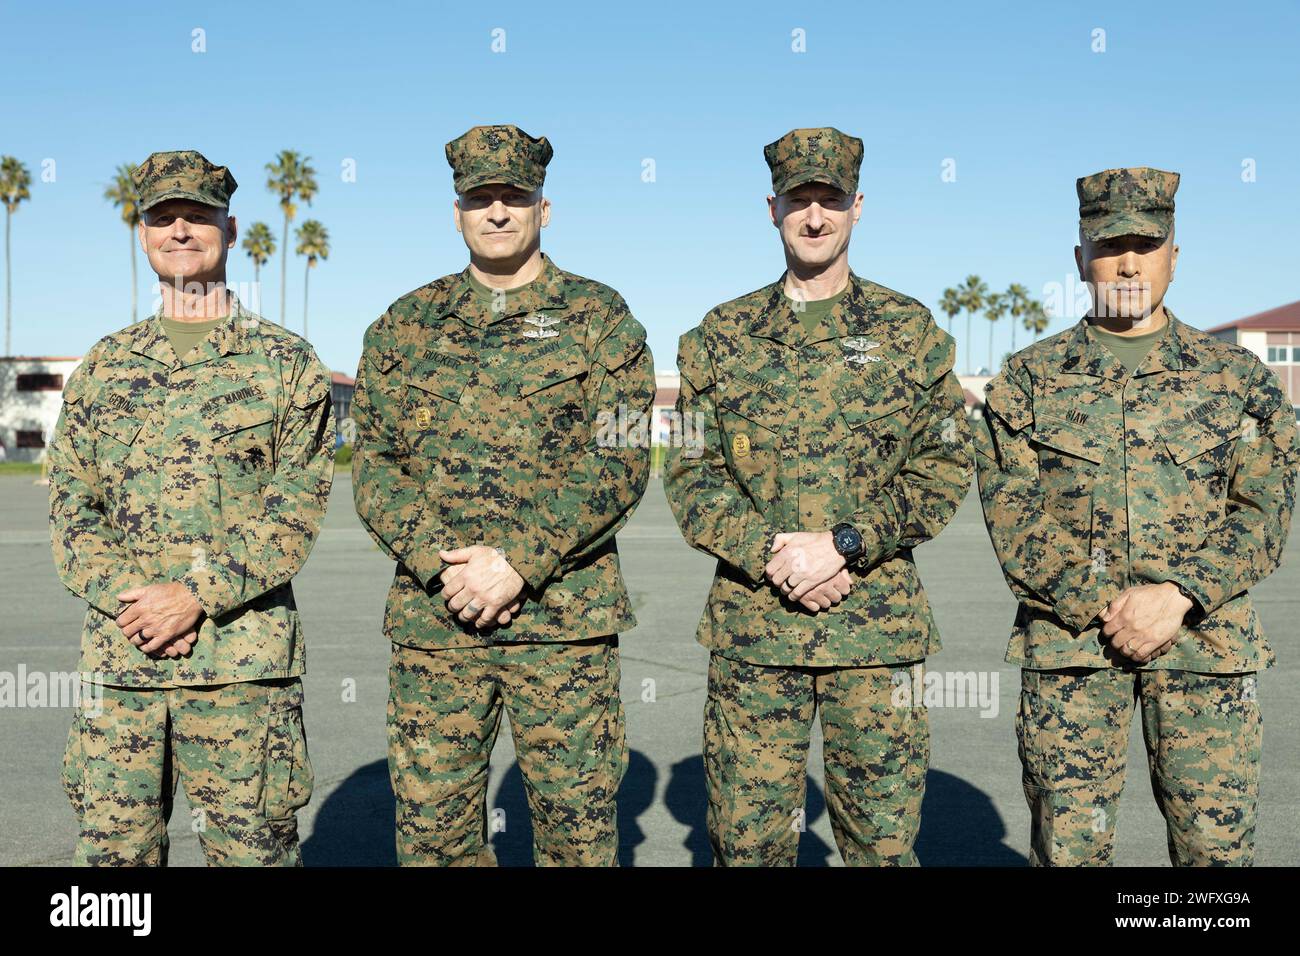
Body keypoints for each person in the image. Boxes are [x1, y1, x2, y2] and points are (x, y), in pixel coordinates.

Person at [663, 127, 973, 865]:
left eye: (828, 200)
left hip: (874, 633)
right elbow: (689, 467)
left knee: (882, 846)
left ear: (857, 206)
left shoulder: (910, 332)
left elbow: (944, 465)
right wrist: (770, 551)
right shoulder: (720, 336)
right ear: (770, 208)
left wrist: (845, 544)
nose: (813, 217)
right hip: (755, 632)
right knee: (746, 846)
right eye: (798, 200)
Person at [975, 167, 1299, 865]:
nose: (1127, 261)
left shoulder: (1236, 380)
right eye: (1106, 243)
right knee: (1068, 855)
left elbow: (1265, 510)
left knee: (1215, 862)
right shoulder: (1028, 381)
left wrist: (1179, 596)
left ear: (1174, 258)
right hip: (1072, 654)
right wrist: (1106, 606)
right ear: (1079, 260)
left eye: (1146, 244)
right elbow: (1012, 514)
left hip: (1206, 650)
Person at [351, 125, 655, 865]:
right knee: (433, 840)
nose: (496, 212)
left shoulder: (600, 317)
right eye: (478, 198)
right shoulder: (403, 325)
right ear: (455, 212)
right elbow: (375, 465)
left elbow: (618, 459)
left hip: (563, 628)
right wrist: (444, 564)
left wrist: (517, 559)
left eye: (513, 197)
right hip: (437, 627)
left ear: (542, 209)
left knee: (576, 837)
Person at [49, 149, 335, 865]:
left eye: (198, 216)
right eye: (162, 217)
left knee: (252, 858)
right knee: (115, 871)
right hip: (123, 665)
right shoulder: (104, 367)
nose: (180, 231)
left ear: (230, 229)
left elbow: (294, 508)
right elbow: (71, 501)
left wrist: (195, 598)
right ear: (142, 232)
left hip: (241, 668)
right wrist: (136, 602)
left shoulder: (286, 364)